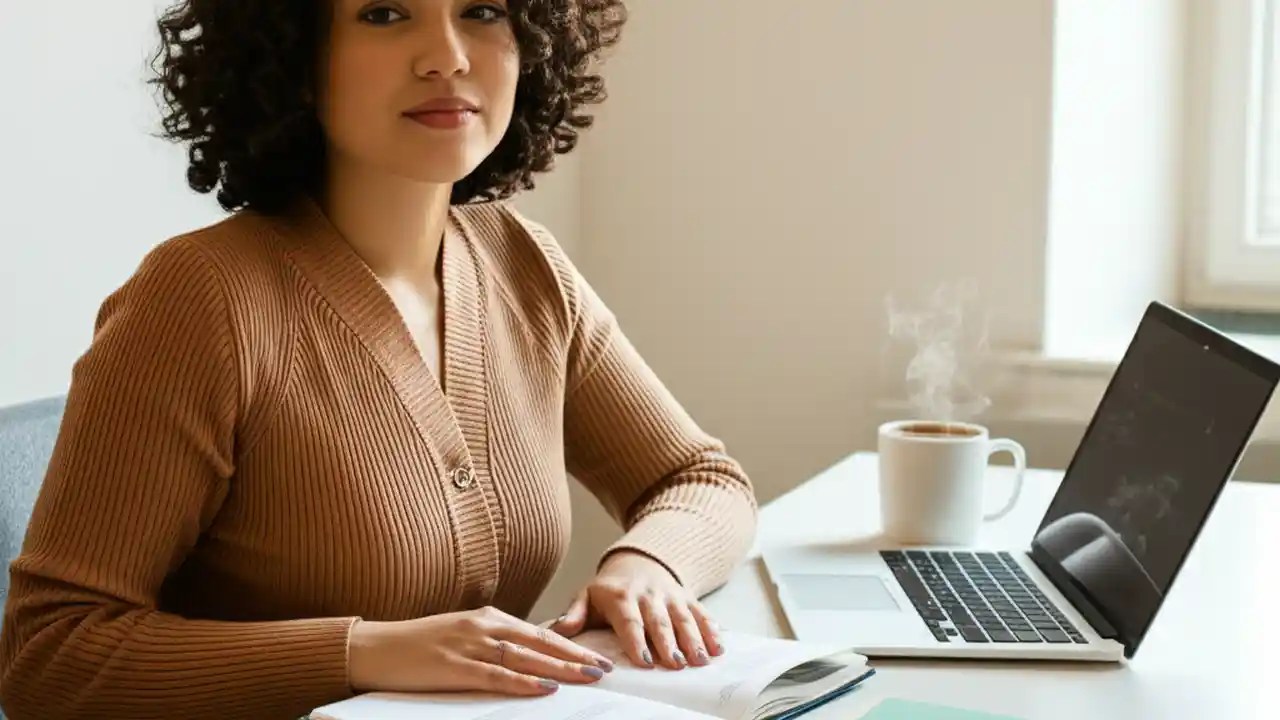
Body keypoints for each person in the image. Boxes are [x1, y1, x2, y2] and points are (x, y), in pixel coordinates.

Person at [0, 1, 757, 718]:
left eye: (482, 11)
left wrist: (647, 566)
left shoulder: (524, 263)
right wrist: (361, 653)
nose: (448, 57)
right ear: (294, 52)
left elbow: (699, 479)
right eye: (384, 14)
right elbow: (49, 657)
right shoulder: (201, 301)